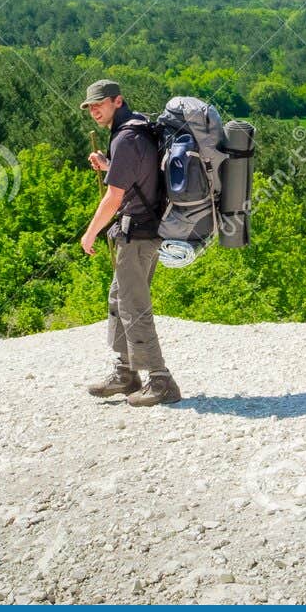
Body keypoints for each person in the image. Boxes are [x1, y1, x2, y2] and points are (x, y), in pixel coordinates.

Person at [78, 79, 181, 407]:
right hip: (143, 230)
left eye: (100, 104)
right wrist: (110, 167)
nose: (95, 111)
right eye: (91, 107)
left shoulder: (125, 137)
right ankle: (126, 373)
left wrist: (90, 232)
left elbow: (113, 197)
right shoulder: (138, 129)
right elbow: (140, 175)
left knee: (134, 305)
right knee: (120, 298)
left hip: (137, 234)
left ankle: (161, 381)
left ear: (118, 101)